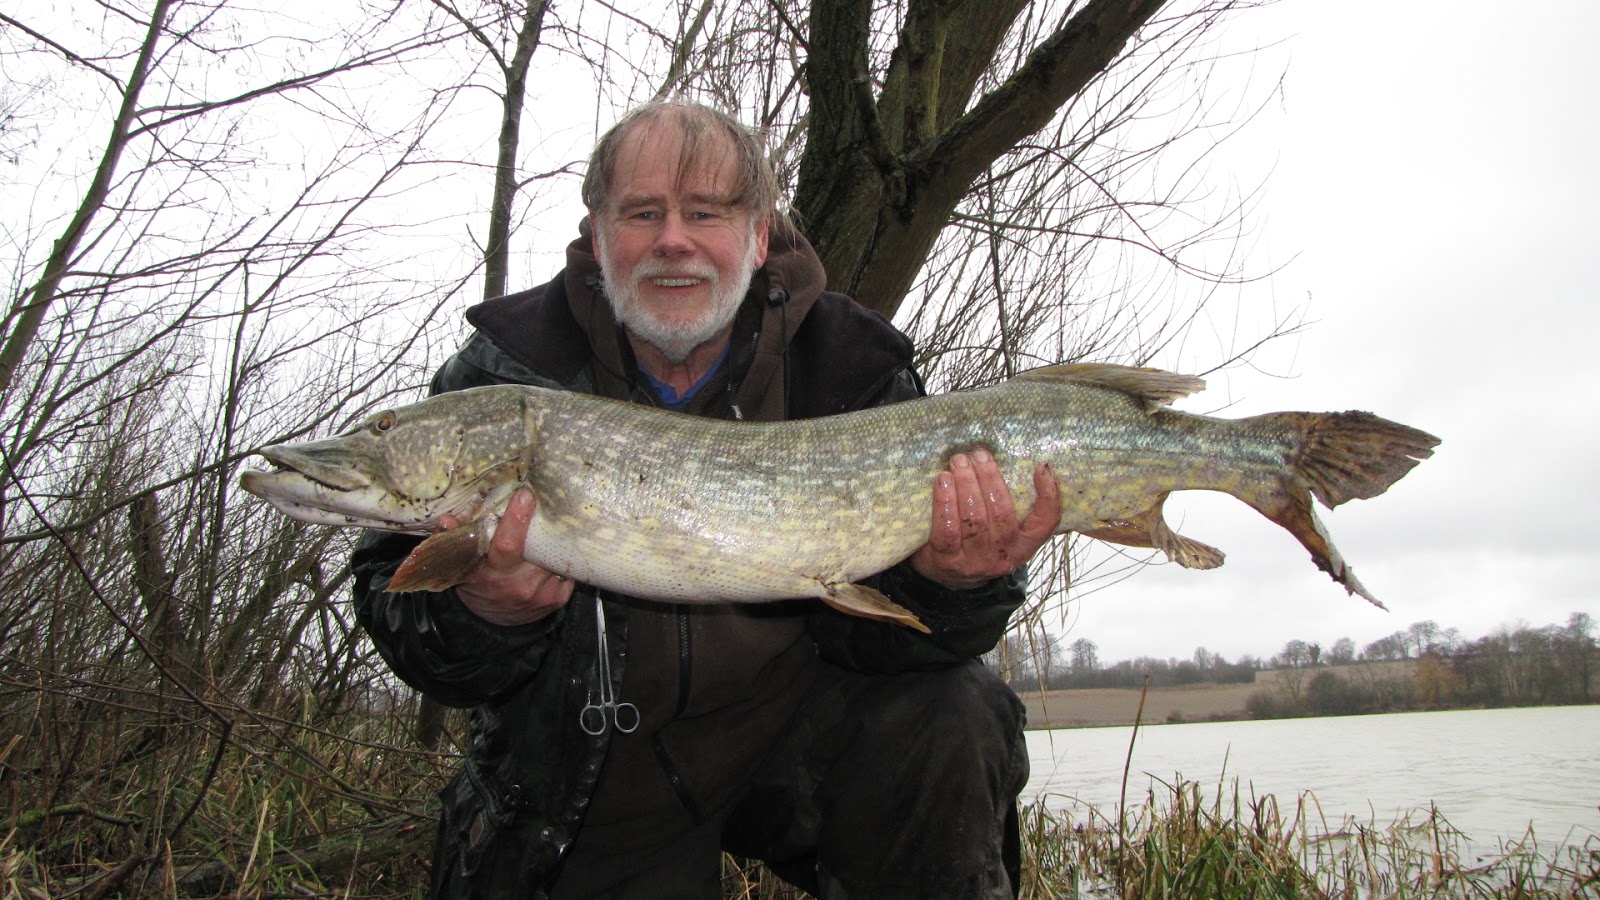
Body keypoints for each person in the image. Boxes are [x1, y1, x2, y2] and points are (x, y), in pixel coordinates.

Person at [352, 100, 1061, 900]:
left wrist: (950, 584)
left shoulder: (851, 368)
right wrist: (485, 614)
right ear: (596, 234)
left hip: (801, 733)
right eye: (642, 213)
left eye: (706, 213)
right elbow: (401, 618)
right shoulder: (506, 376)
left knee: (953, 711)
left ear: (759, 237)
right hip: (591, 769)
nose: (672, 241)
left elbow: (912, 641)